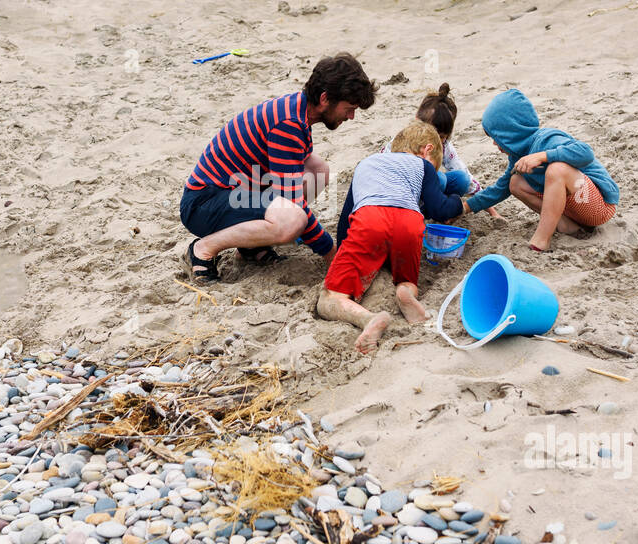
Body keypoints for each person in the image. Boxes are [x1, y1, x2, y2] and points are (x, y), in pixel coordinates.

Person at [181, 52, 377, 281]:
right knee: (292, 220)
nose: (351, 116)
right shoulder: (288, 125)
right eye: (349, 108)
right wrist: (330, 251)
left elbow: (290, 180)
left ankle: (251, 247)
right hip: (203, 203)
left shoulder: (298, 108)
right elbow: (293, 202)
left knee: (317, 170)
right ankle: (202, 250)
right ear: (325, 99)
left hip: (236, 190)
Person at [319, 120, 466, 354]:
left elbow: (345, 221)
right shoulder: (423, 165)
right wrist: (461, 204)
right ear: (427, 150)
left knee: (327, 300)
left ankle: (368, 319)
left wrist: (343, 256)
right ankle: (405, 294)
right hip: (409, 222)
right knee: (407, 280)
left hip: (369, 218)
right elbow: (440, 209)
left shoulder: (366, 163)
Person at [462, 89, 619, 251]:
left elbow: (586, 153)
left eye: (496, 137)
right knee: (515, 182)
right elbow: (500, 189)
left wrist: (542, 156)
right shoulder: (518, 155)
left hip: (598, 207)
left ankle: (542, 239)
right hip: (572, 210)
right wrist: (465, 208)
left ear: (511, 131)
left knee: (557, 170)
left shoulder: (547, 139)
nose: (494, 143)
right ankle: (565, 225)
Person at [381, 82, 499, 219]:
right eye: (430, 132)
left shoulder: (445, 147)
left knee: (462, 179)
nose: (434, 140)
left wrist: (493, 212)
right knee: (439, 179)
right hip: (399, 196)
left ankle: (435, 208)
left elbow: (468, 178)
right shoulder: (402, 141)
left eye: (441, 137)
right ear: (417, 121)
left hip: (426, 193)